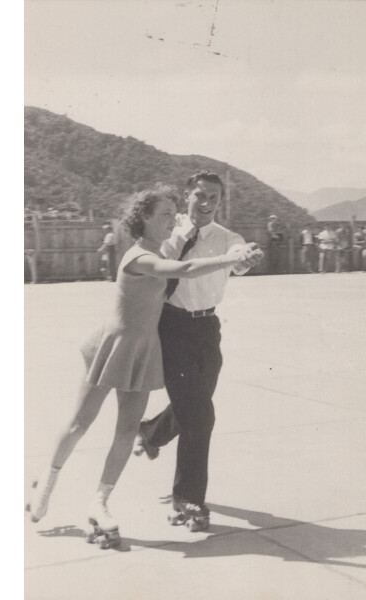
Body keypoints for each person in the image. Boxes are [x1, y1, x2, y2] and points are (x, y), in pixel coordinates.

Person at [25, 184, 255, 549]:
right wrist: (228, 260)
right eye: (164, 214)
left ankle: (100, 501)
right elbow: (185, 267)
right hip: (115, 345)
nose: (172, 219)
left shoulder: (160, 247)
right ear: (144, 217)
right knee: (79, 423)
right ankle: (46, 485)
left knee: (126, 430)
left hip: (144, 350)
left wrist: (235, 255)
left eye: (173, 213)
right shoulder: (138, 256)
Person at [134, 171, 264, 532]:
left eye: (214, 199)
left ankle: (151, 433)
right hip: (171, 326)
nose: (206, 204)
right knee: (200, 416)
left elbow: (239, 257)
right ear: (187, 195)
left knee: (194, 403)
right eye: (200, 196)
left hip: (207, 329)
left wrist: (246, 257)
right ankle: (188, 500)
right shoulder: (166, 229)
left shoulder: (227, 238)